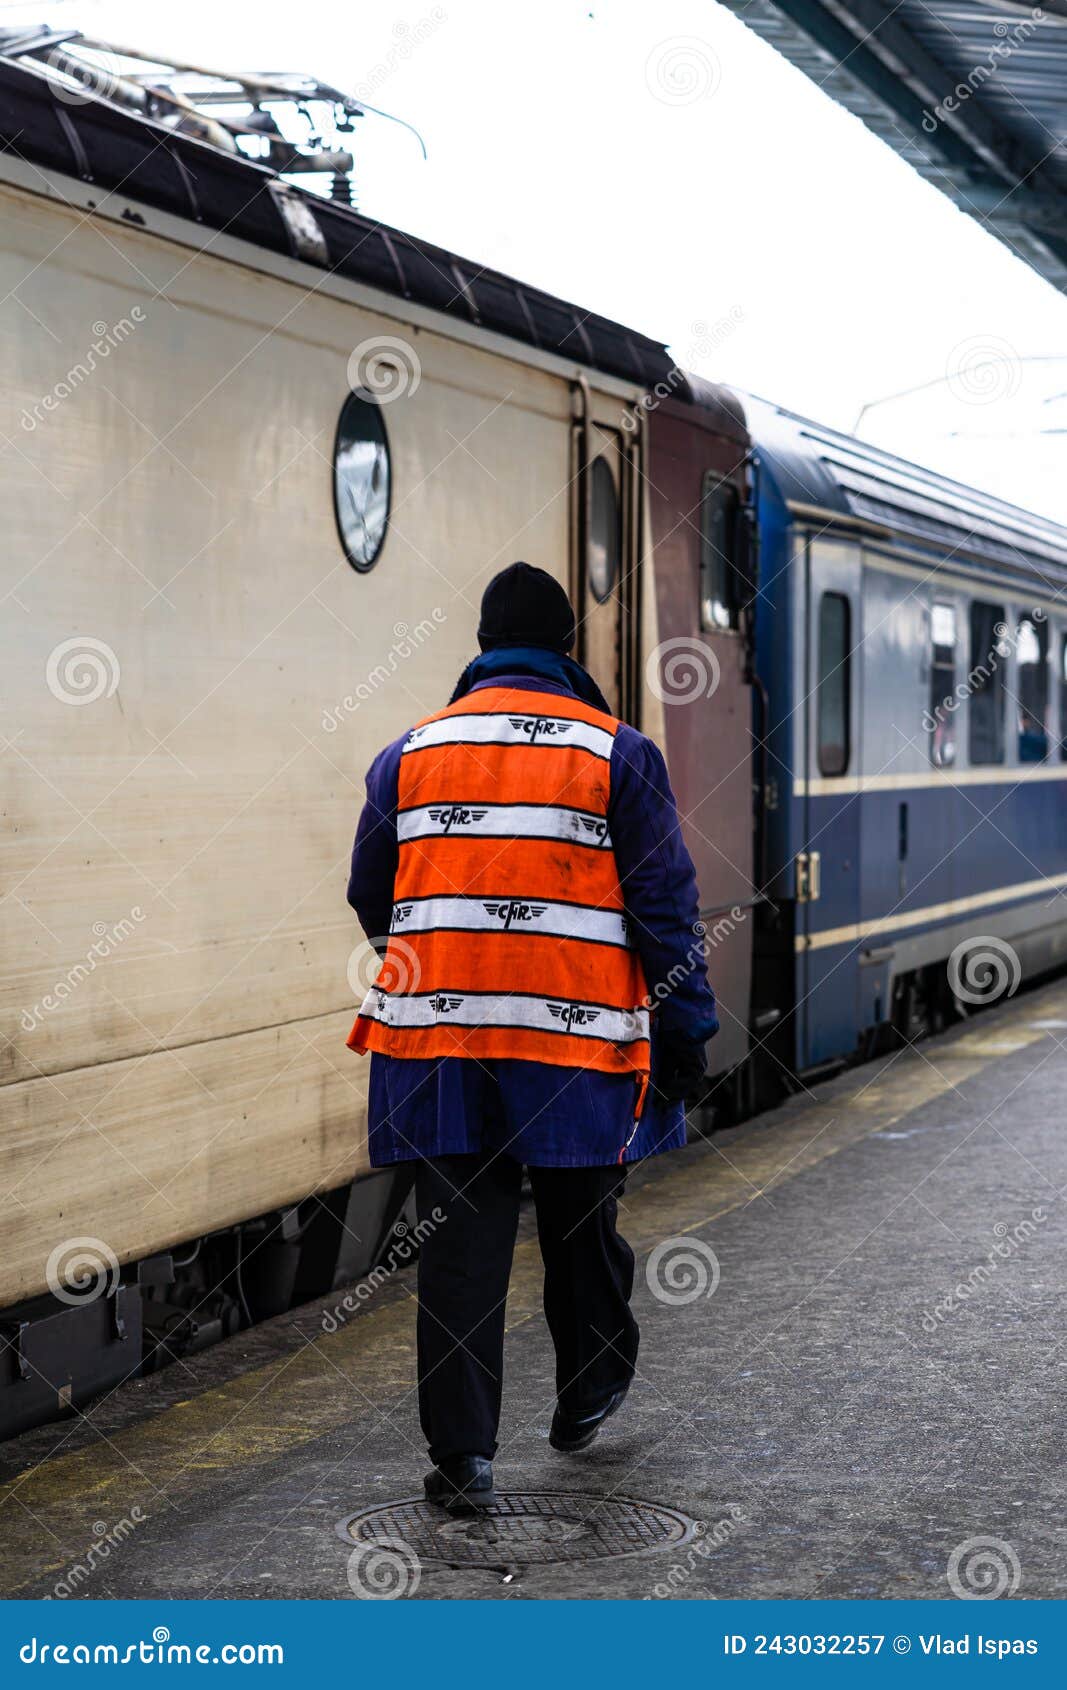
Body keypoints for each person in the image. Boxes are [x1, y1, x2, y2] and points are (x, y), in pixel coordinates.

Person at [346, 561, 716, 1512]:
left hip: (435, 1048)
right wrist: (685, 1034)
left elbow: (368, 893)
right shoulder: (615, 753)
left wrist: (449, 951)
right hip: (575, 1048)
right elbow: (665, 908)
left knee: (460, 1252)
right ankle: (590, 1384)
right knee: (580, 1227)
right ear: (565, 650)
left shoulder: (408, 752)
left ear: (479, 647)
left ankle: (462, 1458)